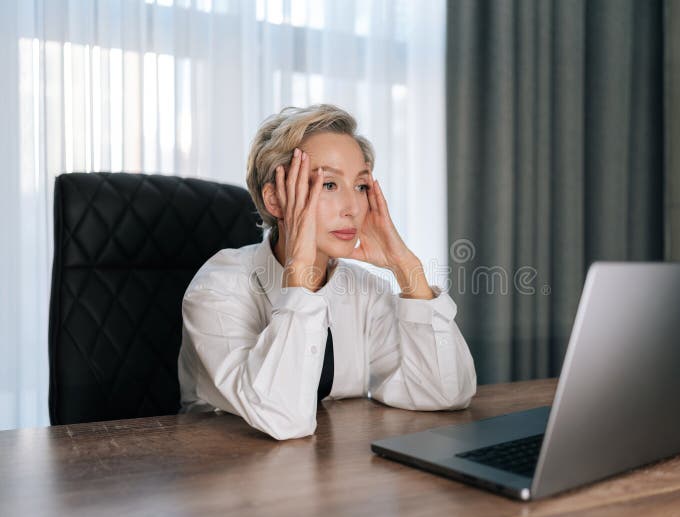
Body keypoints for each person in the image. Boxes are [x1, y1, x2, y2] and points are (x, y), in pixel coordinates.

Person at [177, 103, 476, 440]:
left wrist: (407, 269)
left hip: (336, 473)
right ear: (275, 200)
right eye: (329, 185)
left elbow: (446, 393)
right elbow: (282, 417)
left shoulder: (364, 290)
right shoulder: (218, 287)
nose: (351, 208)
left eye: (361, 186)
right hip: (223, 470)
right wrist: (300, 273)